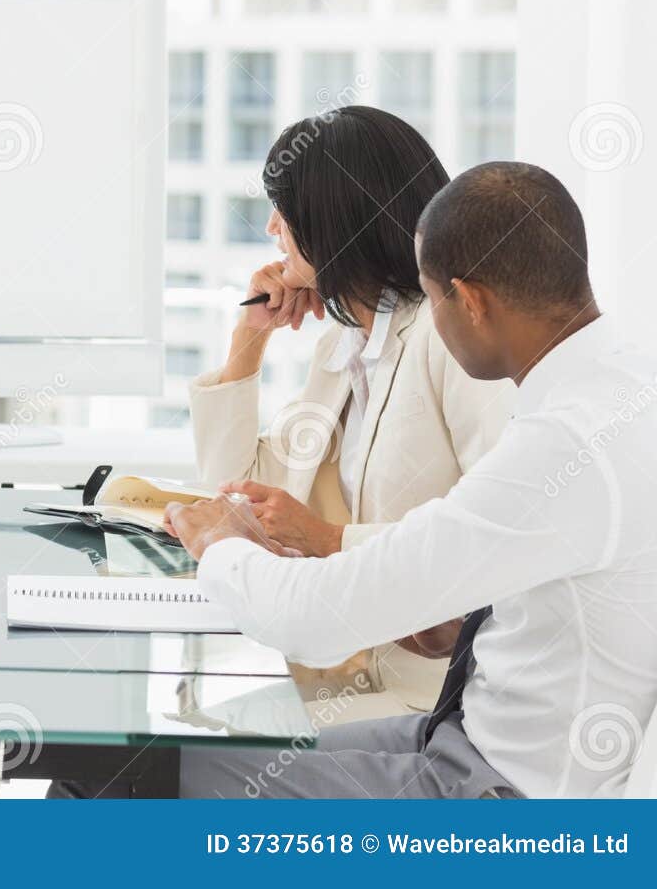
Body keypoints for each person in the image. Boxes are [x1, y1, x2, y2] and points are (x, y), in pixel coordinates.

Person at [161, 162, 657, 798]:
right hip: (460, 735)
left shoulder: (567, 443)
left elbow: (311, 619)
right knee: (158, 763)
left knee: (145, 778)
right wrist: (472, 620)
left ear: (471, 301)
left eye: (433, 297)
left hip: (495, 797)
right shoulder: (619, 389)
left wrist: (218, 543)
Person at [188, 107, 512, 713]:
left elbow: (494, 543)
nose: (270, 228)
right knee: (166, 735)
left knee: (168, 757)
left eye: (284, 212)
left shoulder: (449, 343)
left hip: (427, 696)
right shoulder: (347, 344)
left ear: (334, 219)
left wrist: (330, 539)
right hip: (342, 672)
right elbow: (239, 495)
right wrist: (248, 340)